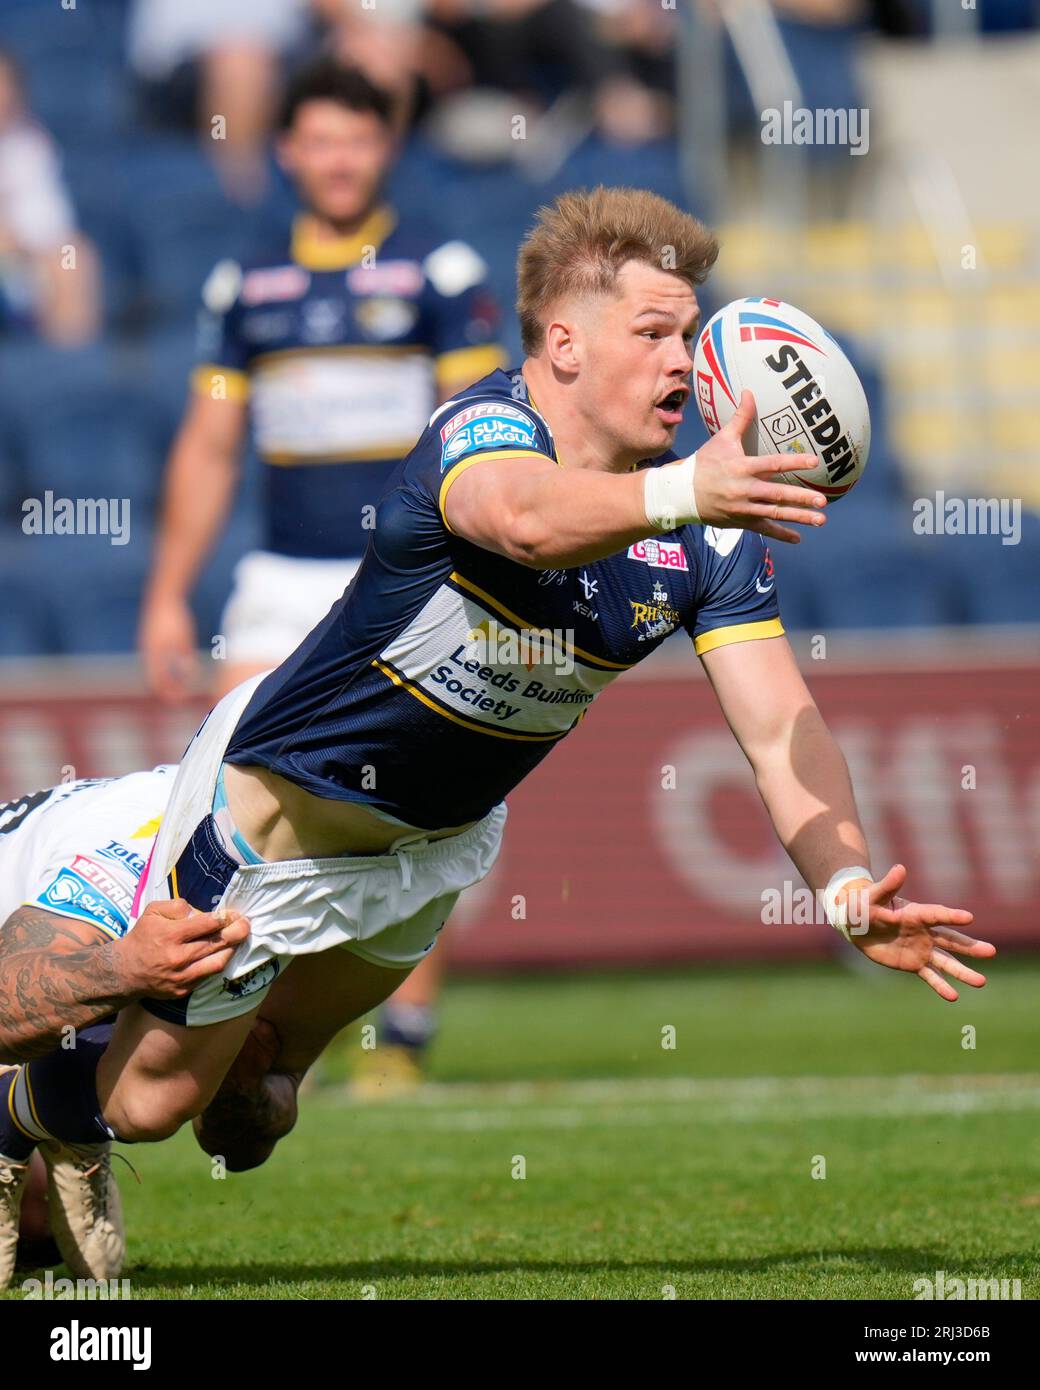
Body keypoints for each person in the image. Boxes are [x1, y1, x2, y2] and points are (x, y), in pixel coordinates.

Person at [0, 187, 993, 1282]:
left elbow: (778, 725)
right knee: (150, 1103)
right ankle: (25, 1117)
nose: (684, 361)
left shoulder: (704, 533)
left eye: (688, 333)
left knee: (256, 1105)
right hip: (274, 822)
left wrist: (844, 887)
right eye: (653, 332)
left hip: (428, 856)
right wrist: (684, 489)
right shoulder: (483, 430)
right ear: (561, 343)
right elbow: (521, 517)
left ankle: (105, 1081)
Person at [138, 58, 506, 1090]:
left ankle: (402, 1040)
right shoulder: (245, 285)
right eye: (320, 139)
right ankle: (212, 1016)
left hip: (410, 580)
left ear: (384, 148)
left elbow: (477, 442)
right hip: (282, 579)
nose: (339, 158)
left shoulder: (439, 275)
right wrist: (168, 590)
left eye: (360, 137)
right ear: (288, 150)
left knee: (420, 799)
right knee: (216, 790)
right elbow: (209, 448)